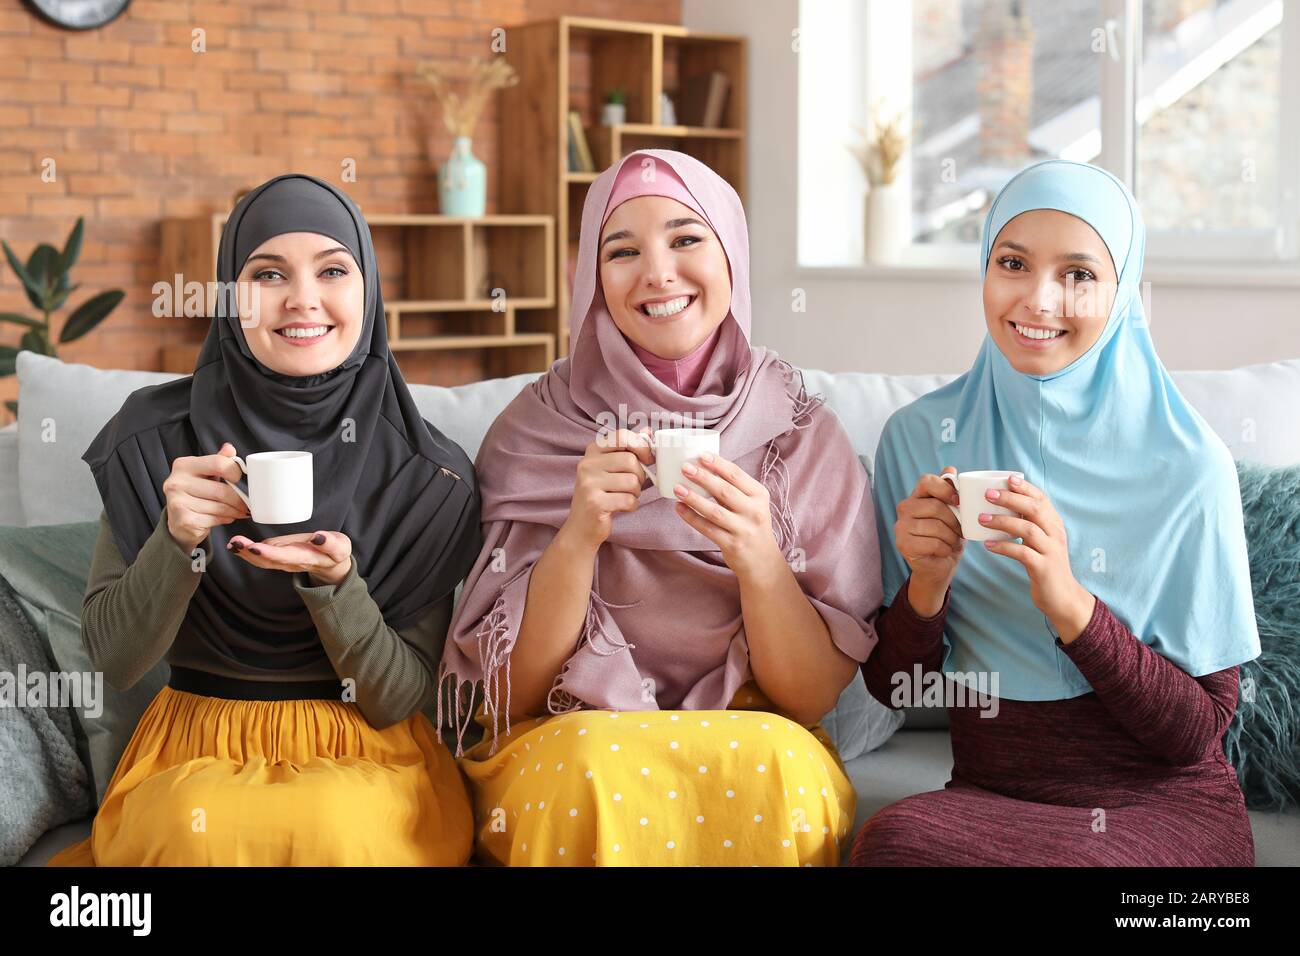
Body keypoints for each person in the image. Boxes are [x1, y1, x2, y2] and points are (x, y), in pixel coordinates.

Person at [438, 149, 883, 866]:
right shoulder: (534, 429)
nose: (658, 273)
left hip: (748, 725)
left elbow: (804, 702)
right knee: (587, 763)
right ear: (590, 279)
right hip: (567, 728)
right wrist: (579, 537)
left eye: (685, 238)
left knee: (780, 769)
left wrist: (758, 557)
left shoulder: (798, 429)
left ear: (730, 253)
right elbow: (510, 695)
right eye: (623, 251)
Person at [48, 173, 482, 866]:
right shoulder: (153, 440)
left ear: (368, 290)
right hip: (195, 745)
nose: (302, 299)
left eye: (333, 270)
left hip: (368, 752)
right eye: (267, 274)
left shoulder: (429, 473)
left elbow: (398, 698)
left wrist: (338, 587)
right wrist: (177, 539)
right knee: (200, 834)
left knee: (341, 832)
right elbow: (116, 660)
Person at [851, 159, 1260, 866]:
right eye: (1012, 262)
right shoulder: (920, 439)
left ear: (1123, 291)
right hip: (994, 796)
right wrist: (927, 586)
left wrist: (1070, 603)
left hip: (1160, 805)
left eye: (1078, 274)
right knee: (892, 844)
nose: (1039, 300)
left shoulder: (1191, 465)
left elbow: (1196, 734)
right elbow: (892, 687)